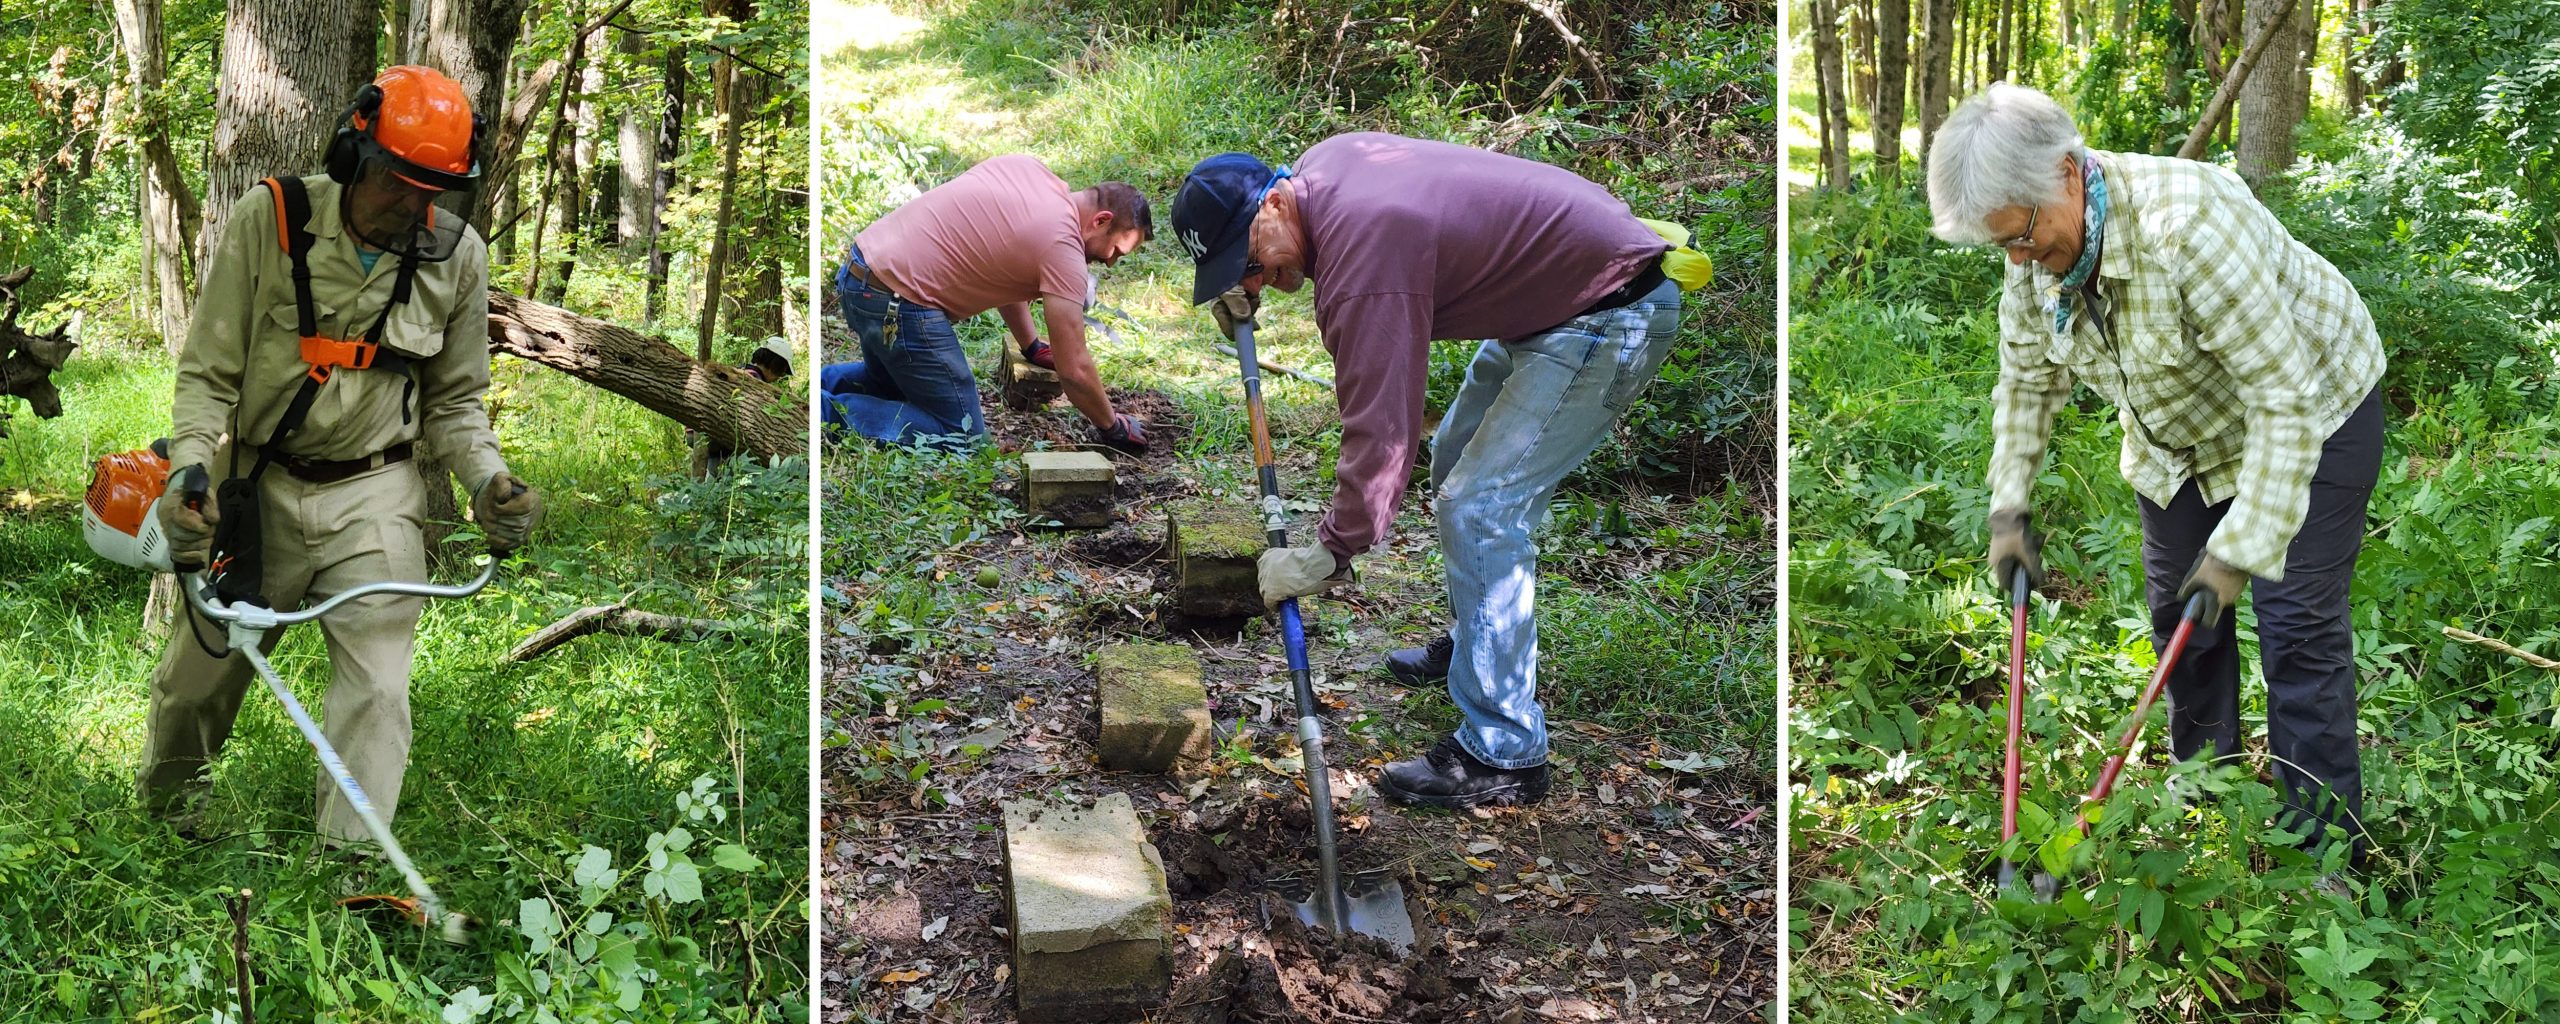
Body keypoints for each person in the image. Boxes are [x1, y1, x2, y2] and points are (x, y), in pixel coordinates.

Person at [1929, 84, 2385, 866]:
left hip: (2317, 408)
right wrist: (2009, 508)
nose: (2018, 262)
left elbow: (2284, 401)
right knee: (2183, 619)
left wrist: (2242, 546)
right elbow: (2028, 383)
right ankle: (2206, 797)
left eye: (2025, 240)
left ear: (2068, 175)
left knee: (2296, 631)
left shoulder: (2194, 228)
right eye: (2001, 246)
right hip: (2178, 440)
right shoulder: (2035, 250)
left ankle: (2323, 856)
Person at [1170, 133, 1690, 810]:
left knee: (1481, 507)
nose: (1253, 282)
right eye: (1236, 280)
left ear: (1272, 202)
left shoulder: (1366, 259)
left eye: (1248, 261)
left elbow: (1384, 436)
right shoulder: (1323, 172)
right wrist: (1248, 281)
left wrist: (1331, 551)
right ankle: (1482, 644)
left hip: (1611, 312)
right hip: (1551, 303)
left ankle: (1503, 751)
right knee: (1456, 462)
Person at [145, 66, 540, 845]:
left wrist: (490, 481)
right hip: (255, 486)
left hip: (376, 495)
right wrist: (191, 472)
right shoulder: (274, 218)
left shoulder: (456, 256)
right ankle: (164, 831)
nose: (416, 204)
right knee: (196, 686)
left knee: (378, 696)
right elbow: (208, 373)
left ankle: (349, 877)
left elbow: (457, 403)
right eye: (400, 180)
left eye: (436, 188)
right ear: (353, 155)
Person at [823, 154, 1153, 451]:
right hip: (896, 302)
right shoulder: (1063, 247)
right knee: (961, 436)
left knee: (886, 384)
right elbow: (1075, 369)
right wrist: (1113, 426)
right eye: (1116, 251)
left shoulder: (1028, 171)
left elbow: (1002, 270)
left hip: (860, 273)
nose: (1110, 262)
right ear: (1101, 220)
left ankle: (816, 387)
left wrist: (1031, 346)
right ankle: (819, 414)